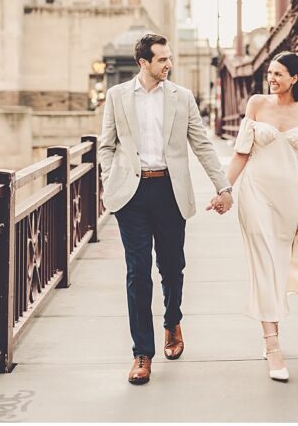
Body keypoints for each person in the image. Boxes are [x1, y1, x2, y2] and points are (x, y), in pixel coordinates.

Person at [98, 33, 233, 385]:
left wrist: (223, 185)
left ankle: (172, 319)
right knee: (137, 272)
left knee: (172, 267)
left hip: (170, 191)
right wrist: (106, 182)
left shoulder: (182, 97)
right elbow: (106, 145)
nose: (168, 64)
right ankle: (142, 353)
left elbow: (202, 144)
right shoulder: (117, 96)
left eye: (169, 58)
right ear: (144, 62)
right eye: (162, 60)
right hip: (132, 193)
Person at [216, 51, 298, 382]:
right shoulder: (256, 105)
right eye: (270, 73)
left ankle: (272, 332)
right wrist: (225, 189)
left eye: (279, 74)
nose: (272, 79)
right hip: (256, 194)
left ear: (295, 78)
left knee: (277, 266)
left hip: (290, 198)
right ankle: (272, 345)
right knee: (263, 263)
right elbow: (241, 154)